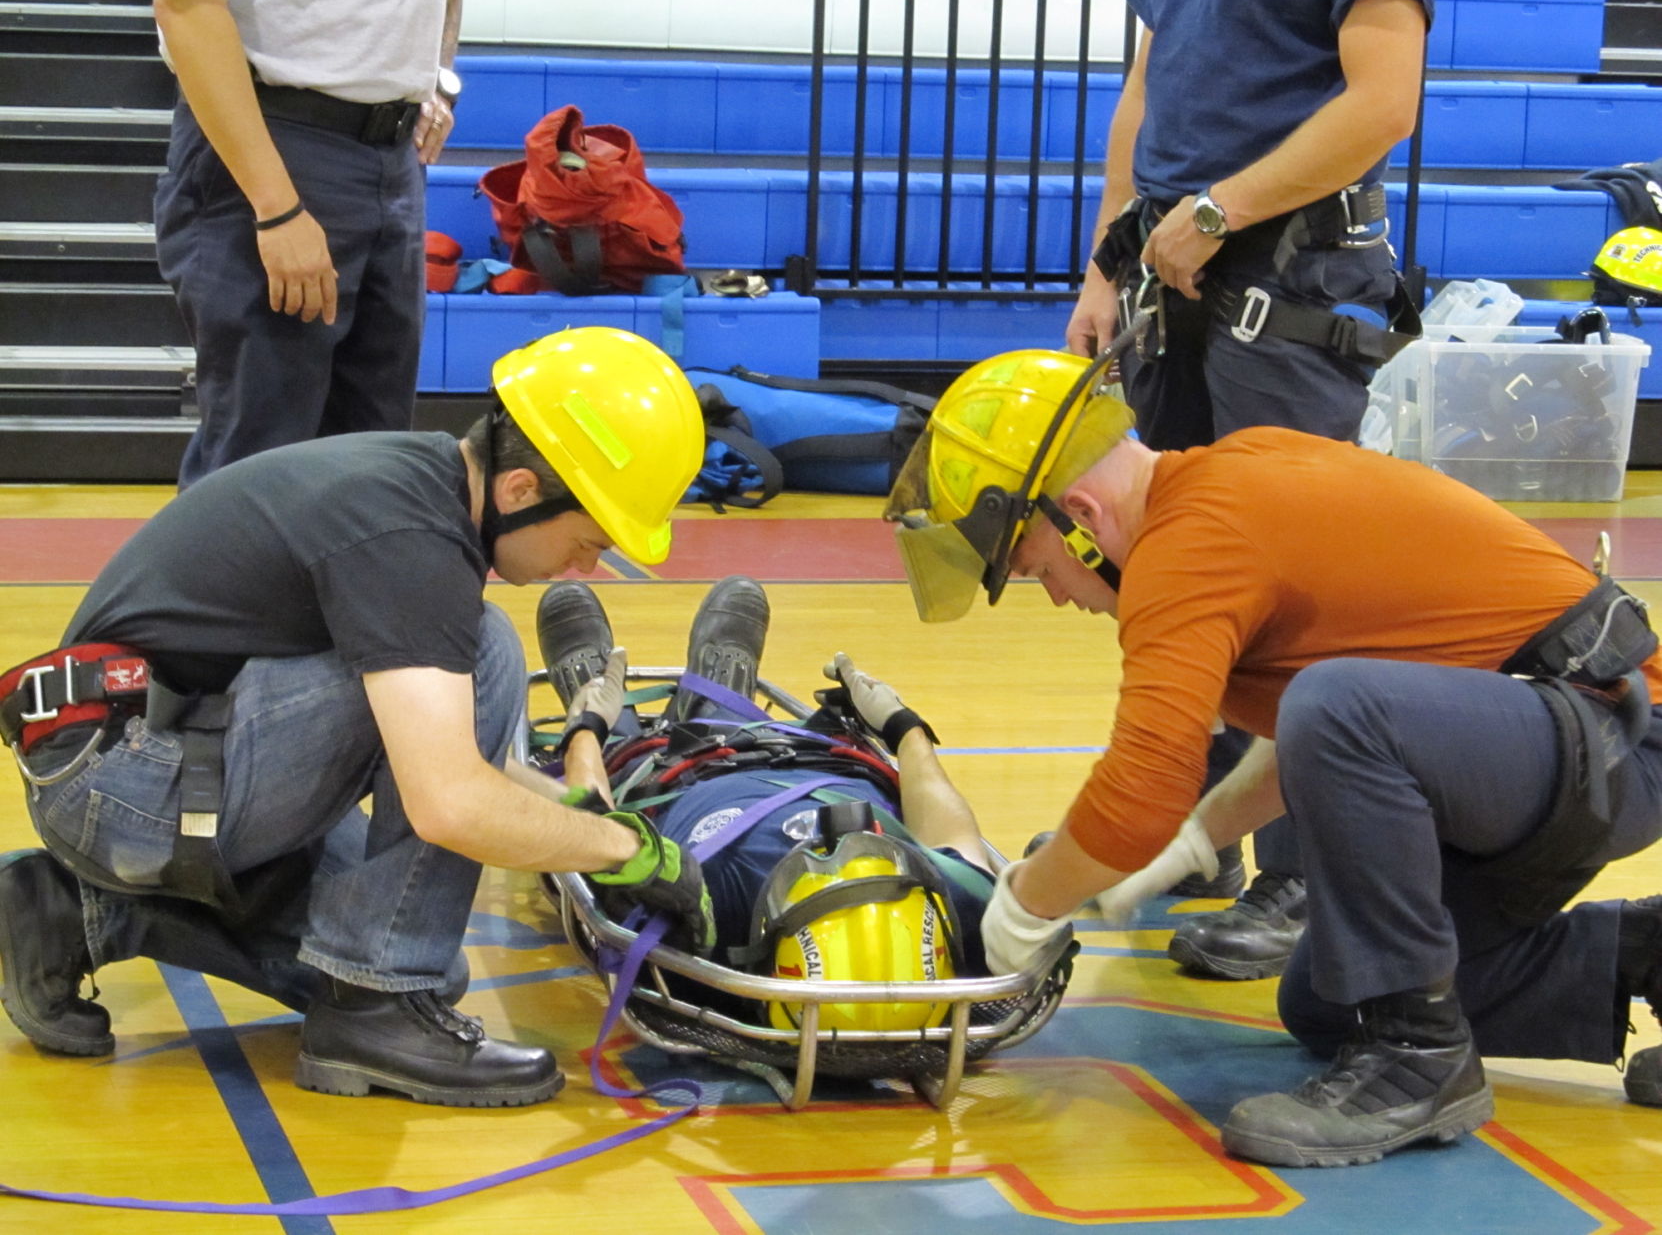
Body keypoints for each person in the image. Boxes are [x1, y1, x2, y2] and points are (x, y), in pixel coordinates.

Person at [885, 344, 1662, 1167]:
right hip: (1558, 742)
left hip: (1618, 736)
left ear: (1081, 516)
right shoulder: (1222, 483)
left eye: (1034, 567)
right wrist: (1188, 844)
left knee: (1338, 707)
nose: (1055, 595)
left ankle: (1420, 1062)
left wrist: (1019, 910)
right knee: (1332, 1001)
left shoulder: (1190, 544)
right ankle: (1640, 954)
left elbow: (1157, 778)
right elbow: (1313, 737)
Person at [0, 328, 708, 1109]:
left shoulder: (418, 487)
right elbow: (449, 800)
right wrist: (623, 852)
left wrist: (570, 812)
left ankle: (80, 914)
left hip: (138, 757)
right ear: (519, 491)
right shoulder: (411, 543)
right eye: (586, 543)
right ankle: (375, 1014)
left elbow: (445, 749)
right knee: (478, 658)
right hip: (129, 781)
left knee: (423, 968)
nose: (584, 570)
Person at [1058, 0, 1434, 979]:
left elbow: (1385, 101)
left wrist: (1222, 211)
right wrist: (1107, 261)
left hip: (1292, 271)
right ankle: (1191, 825)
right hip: (1172, 267)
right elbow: (1150, 77)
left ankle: (1305, 873)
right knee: (1169, 561)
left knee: (1299, 588)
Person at [535, 576, 1006, 1005]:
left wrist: (586, 729)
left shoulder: (707, 910)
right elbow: (956, 840)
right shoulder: (953, 913)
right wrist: (902, 726)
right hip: (805, 755)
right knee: (724, 715)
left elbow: (595, 831)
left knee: (624, 745)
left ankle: (597, 690)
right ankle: (717, 688)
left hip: (663, 775)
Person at [153, 0, 465, 488]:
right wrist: (276, 209)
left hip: (394, 156)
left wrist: (438, 80)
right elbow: (186, 7)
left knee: (370, 461)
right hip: (279, 140)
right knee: (259, 462)